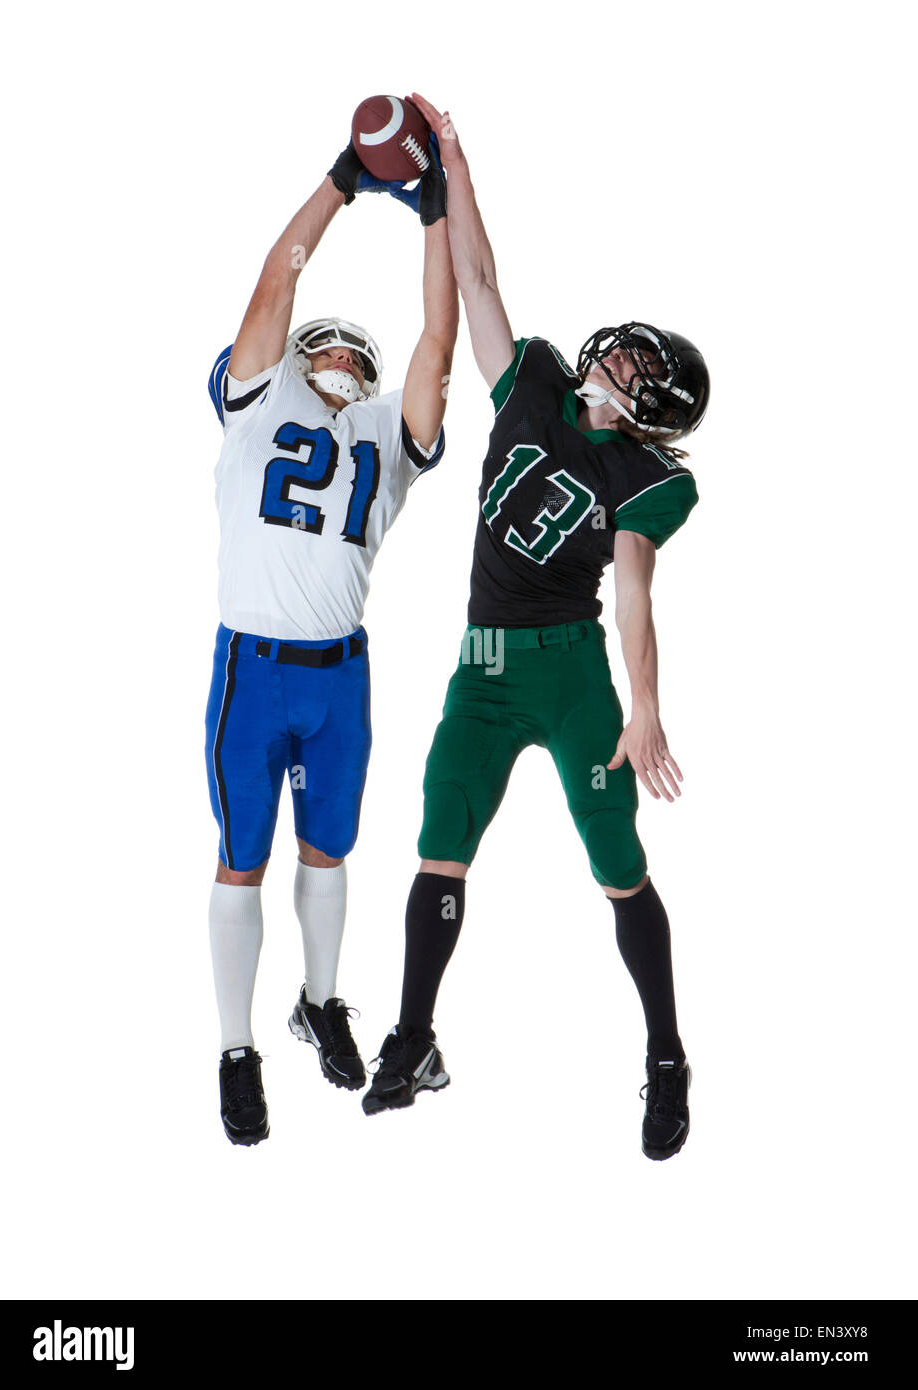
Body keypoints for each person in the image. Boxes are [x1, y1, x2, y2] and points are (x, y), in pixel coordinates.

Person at [362, 96, 709, 1162]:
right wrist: (455, 165)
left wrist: (644, 707)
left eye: (637, 366)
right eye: (625, 350)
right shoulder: (533, 386)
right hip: (480, 665)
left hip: (568, 675)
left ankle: (665, 1055)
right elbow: (476, 282)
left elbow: (634, 592)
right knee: (439, 843)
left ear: (651, 408)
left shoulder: (640, 475)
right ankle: (414, 1036)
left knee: (615, 858)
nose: (618, 357)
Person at [205, 121, 458, 1145]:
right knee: (241, 857)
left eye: (362, 352)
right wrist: (343, 182)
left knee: (328, 850)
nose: (347, 356)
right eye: (331, 344)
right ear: (300, 356)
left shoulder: (384, 437)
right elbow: (277, 282)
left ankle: (318, 1003)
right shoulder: (257, 399)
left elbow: (436, 345)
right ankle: (236, 1048)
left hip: (339, 675)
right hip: (253, 666)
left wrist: (434, 217)